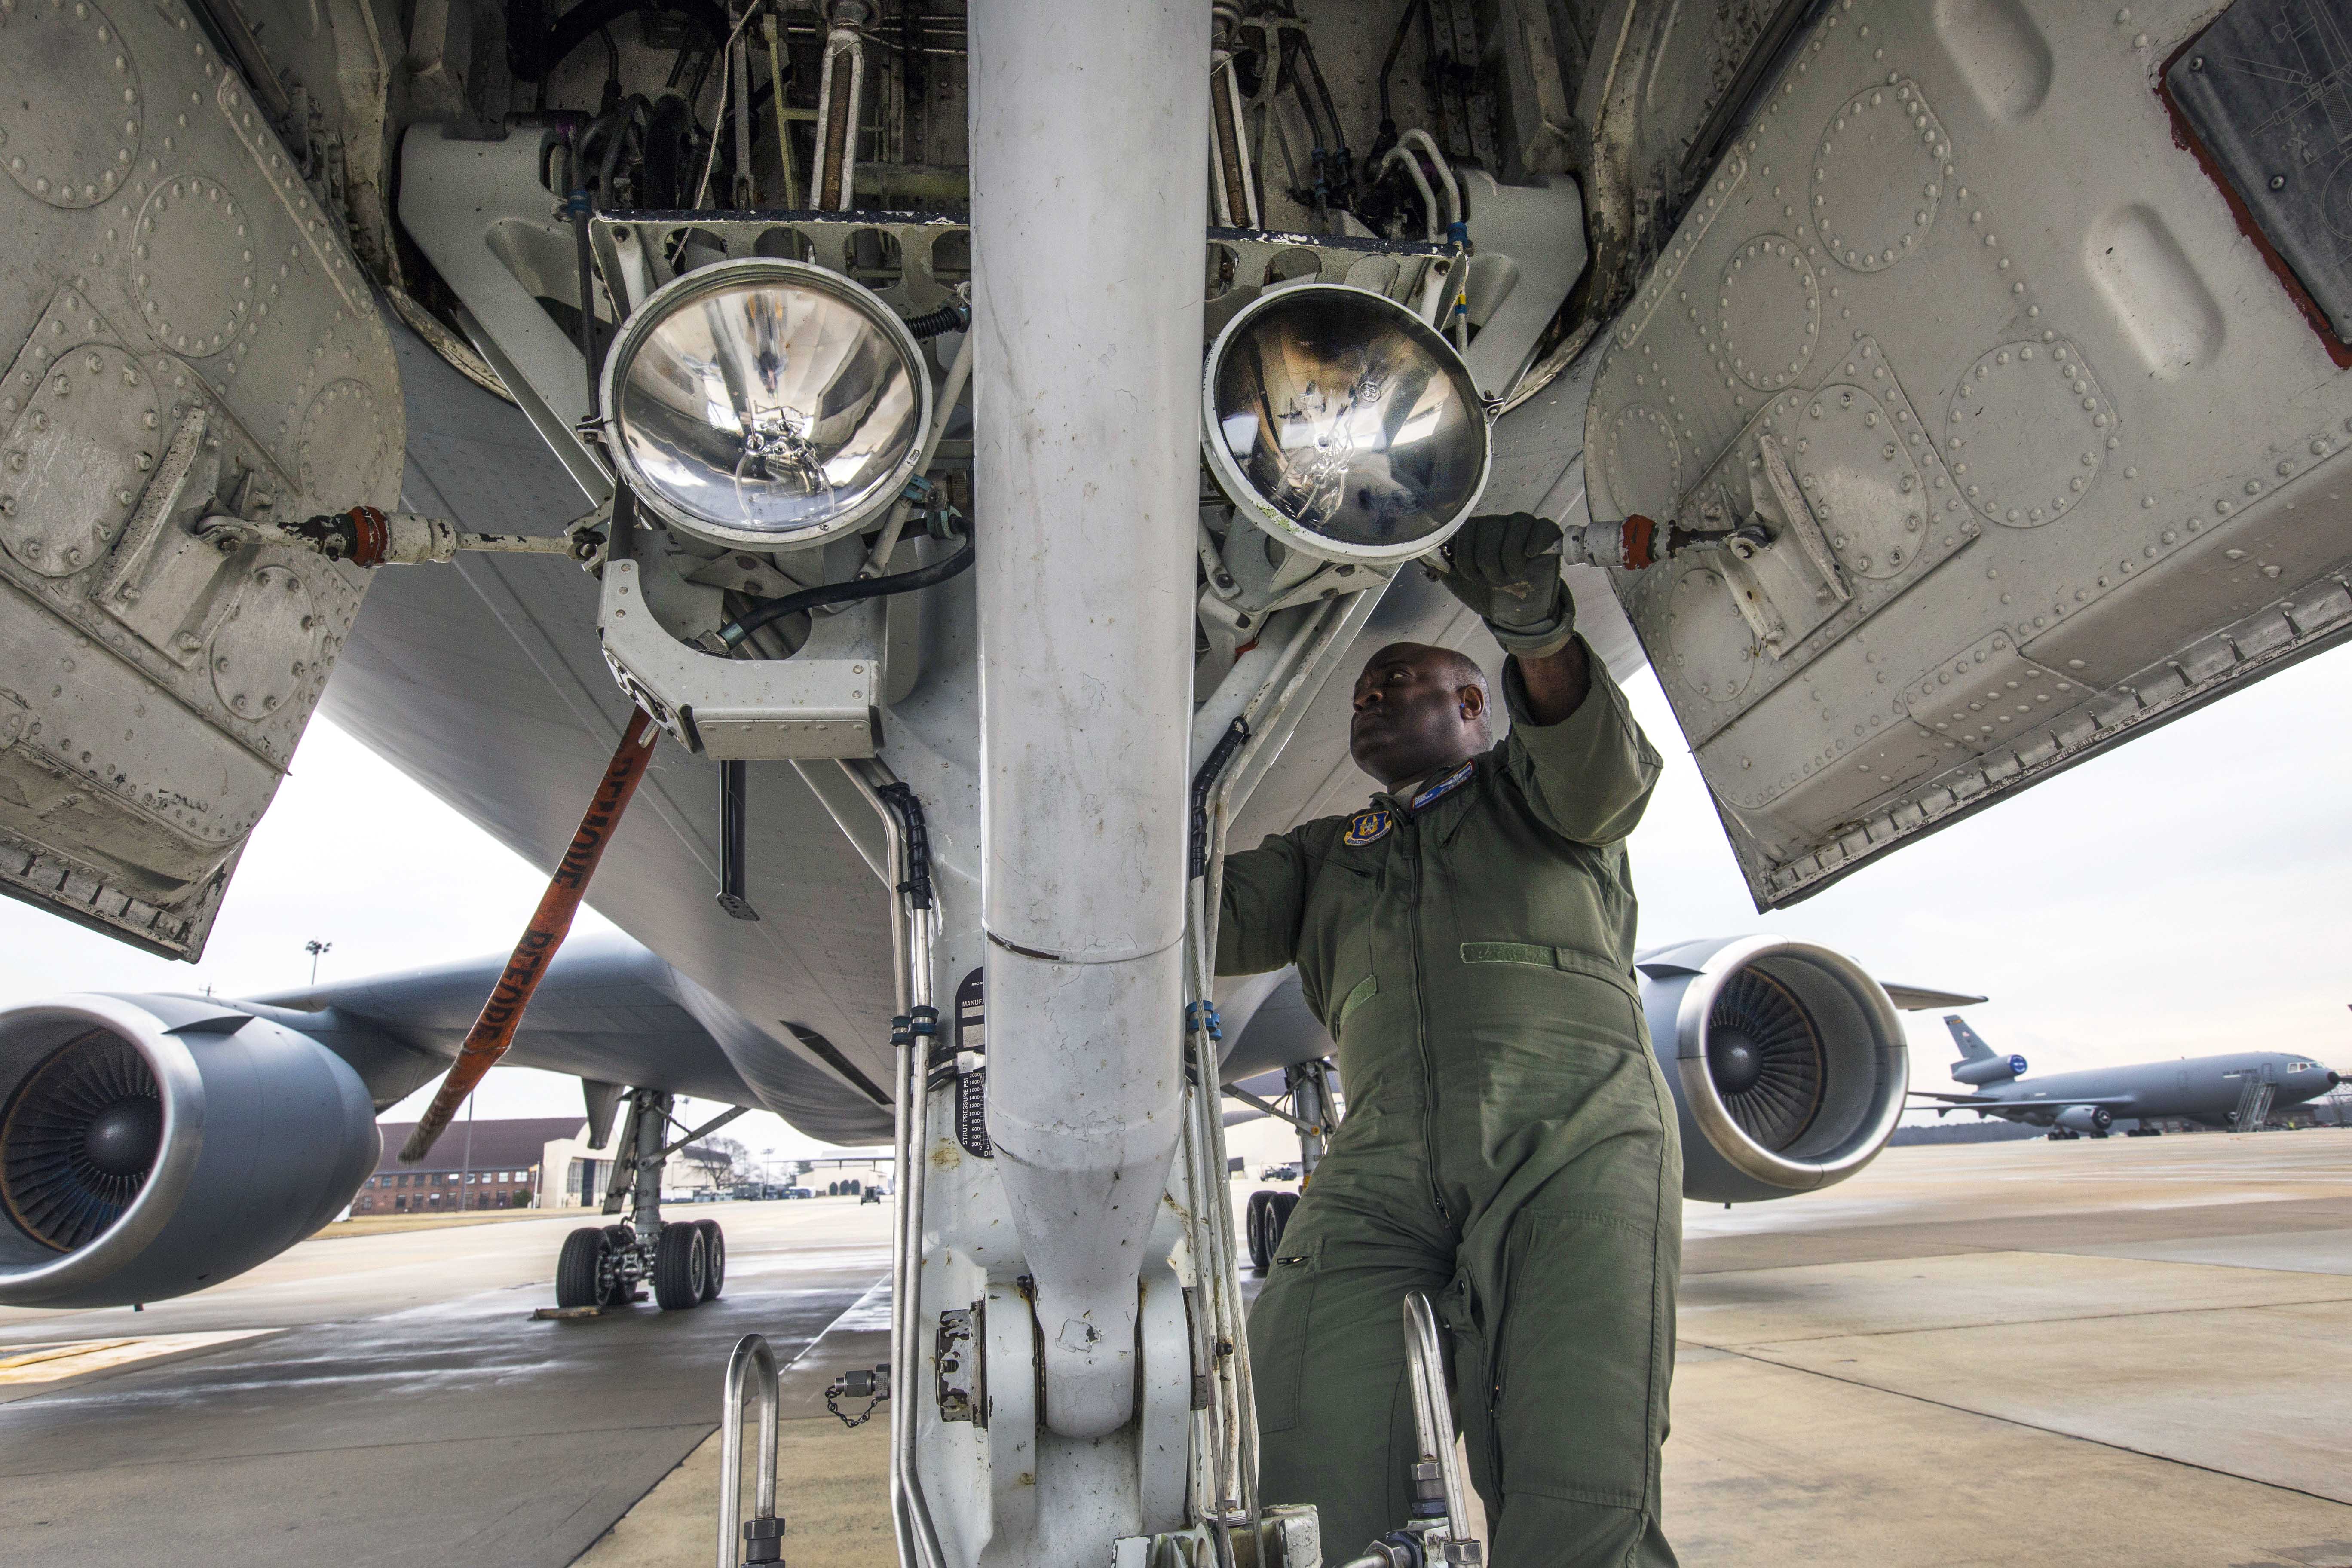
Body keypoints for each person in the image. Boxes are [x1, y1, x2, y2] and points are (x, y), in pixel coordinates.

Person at [1218, 512, 1679, 1565]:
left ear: (1473, 705)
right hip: (1378, 1162)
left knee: (1576, 1480)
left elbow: (1597, 764)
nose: (1370, 701)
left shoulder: (1538, 799)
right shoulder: (1330, 854)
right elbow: (1186, 911)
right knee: (1303, 1443)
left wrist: (1537, 630)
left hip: (1568, 1140)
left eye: (1399, 684)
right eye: (1361, 696)